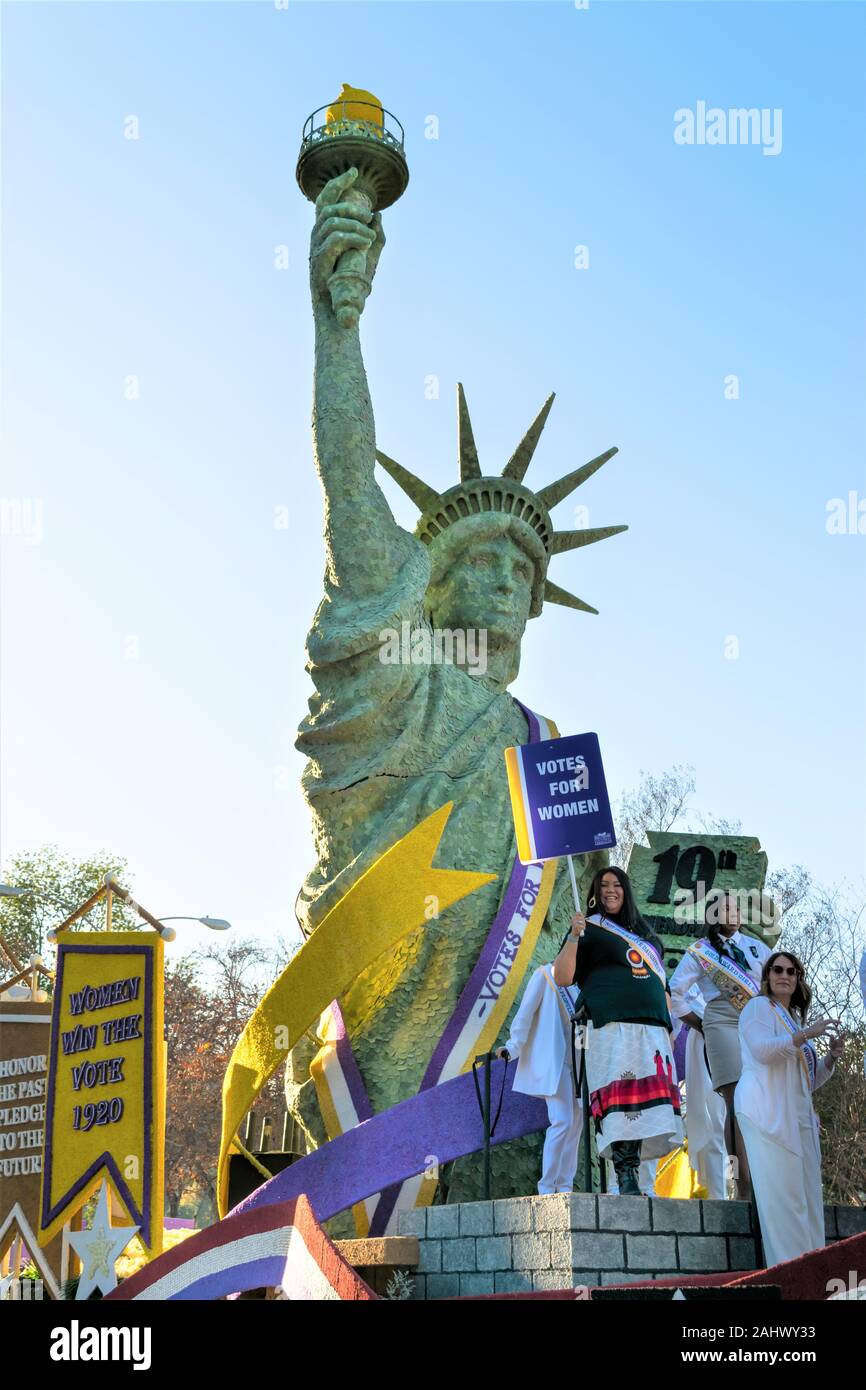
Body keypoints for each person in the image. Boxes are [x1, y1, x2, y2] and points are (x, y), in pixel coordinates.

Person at [553, 865, 682, 1195]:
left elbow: (662, 988)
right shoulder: (589, 929)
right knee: (621, 1099)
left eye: (617, 884)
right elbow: (562, 977)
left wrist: (668, 1026)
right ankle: (624, 1176)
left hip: (652, 1030)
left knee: (648, 1104)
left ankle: (640, 1181)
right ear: (595, 892)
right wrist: (573, 935)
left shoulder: (648, 938)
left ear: (626, 891)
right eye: (604, 884)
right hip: (612, 1026)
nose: (611, 889)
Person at [734, 951, 845, 1266]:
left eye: (792, 972)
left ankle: (813, 1277)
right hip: (766, 1114)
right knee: (785, 1204)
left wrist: (830, 1059)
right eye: (778, 969)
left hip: (799, 1119)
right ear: (768, 975)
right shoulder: (758, 1007)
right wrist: (806, 1035)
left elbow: (806, 1082)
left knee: (808, 1200)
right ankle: (791, 1277)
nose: (785, 975)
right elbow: (763, 1051)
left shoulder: (792, 1020)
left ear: (798, 980)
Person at [668, 889, 771, 1199]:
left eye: (736, 908)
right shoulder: (700, 952)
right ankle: (739, 1184)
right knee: (734, 1104)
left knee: (761, 1102)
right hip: (721, 1024)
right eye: (726, 908)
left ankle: (764, 1177)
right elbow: (675, 992)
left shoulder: (757, 948)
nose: (734, 913)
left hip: (757, 1025)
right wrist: (701, 1024)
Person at [496, 963, 583, 1194]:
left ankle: (565, 1186)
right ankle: (547, 1187)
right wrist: (513, 1047)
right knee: (562, 1120)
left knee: (576, 1124)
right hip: (553, 1062)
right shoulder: (545, 975)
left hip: (578, 1064)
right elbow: (525, 1013)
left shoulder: (578, 982)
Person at [670, 983, 728, 1199]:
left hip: (722, 1071)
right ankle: (718, 1194)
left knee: (721, 1132)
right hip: (687, 1077)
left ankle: (726, 1191)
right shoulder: (684, 991)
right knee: (710, 1131)